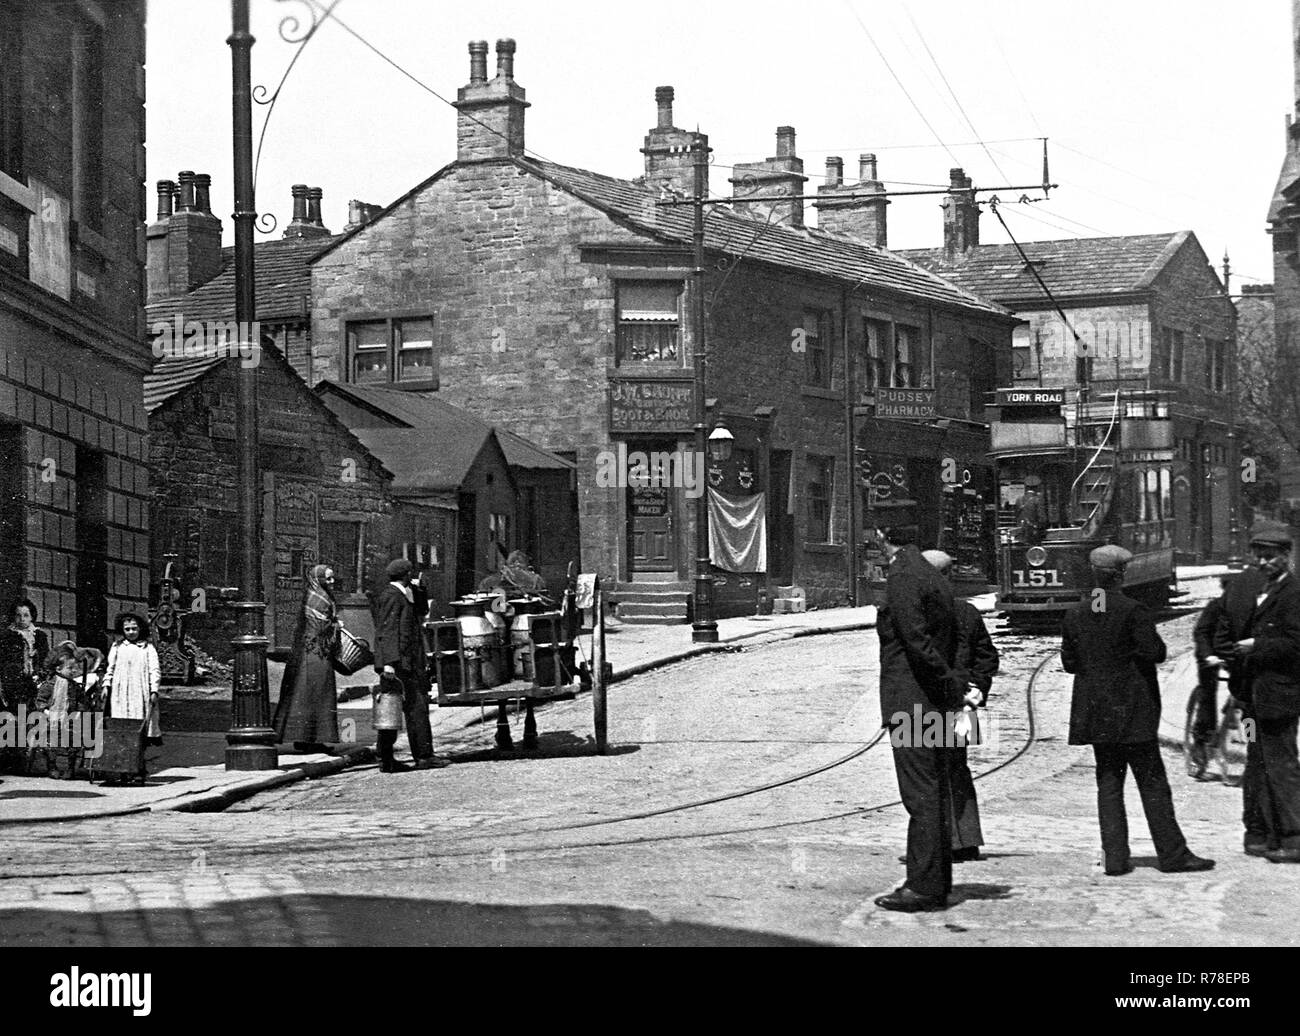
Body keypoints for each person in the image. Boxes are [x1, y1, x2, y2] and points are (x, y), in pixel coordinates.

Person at [1061, 545, 1214, 876]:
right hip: (1133, 713)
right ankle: (1173, 855)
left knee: (1108, 782)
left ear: (1093, 574)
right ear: (1120, 575)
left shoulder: (1076, 612)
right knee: (1152, 783)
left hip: (1097, 714)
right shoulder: (1133, 610)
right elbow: (1154, 652)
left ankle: (1115, 858)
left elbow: (1069, 663)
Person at [873, 527, 968, 913]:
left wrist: (949, 687)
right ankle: (936, 880)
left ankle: (924, 888)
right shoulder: (929, 572)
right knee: (935, 792)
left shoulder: (904, 575)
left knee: (921, 797)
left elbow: (916, 643)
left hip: (913, 702)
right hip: (931, 703)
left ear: (882, 536)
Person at [1219, 521, 1300, 863]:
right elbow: (1220, 629)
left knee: (1281, 764)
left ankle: (1293, 837)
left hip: (1279, 700)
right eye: (1259, 557)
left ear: (1286, 556)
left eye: (1271, 557)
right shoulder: (1252, 589)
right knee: (1256, 762)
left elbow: (1296, 644)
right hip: (1250, 699)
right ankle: (1258, 832)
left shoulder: (1294, 593)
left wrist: (1256, 645)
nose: (1264, 563)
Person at [923, 549, 999, 863]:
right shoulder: (966, 612)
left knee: (930, 772)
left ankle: (945, 842)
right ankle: (965, 840)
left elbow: (985, 656)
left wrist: (977, 687)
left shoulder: (917, 613)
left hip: (928, 704)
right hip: (962, 702)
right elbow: (987, 657)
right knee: (956, 767)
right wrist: (978, 687)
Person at [373, 558, 447, 773]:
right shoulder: (391, 597)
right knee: (399, 710)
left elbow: (421, 610)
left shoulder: (404, 594)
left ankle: (399, 758)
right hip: (398, 665)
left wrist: (420, 589)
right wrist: (388, 663)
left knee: (406, 709)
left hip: (410, 662)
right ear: (405, 575)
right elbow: (386, 631)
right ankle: (414, 757)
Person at [274, 565, 341, 754]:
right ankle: (308, 739)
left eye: (332, 578)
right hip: (314, 653)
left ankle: (308, 738)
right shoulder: (317, 598)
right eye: (328, 579)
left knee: (307, 695)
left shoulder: (316, 594)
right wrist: (336, 624)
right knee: (314, 694)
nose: (332, 582)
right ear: (318, 579)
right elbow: (320, 626)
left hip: (309, 652)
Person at [1188, 569, 1241, 778]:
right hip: (1209, 655)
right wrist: (1209, 655)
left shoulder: (1248, 609)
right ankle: (1200, 744)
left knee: (1247, 697)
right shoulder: (1214, 607)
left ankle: (1252, 739)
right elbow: (1201, 633)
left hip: (1232, 654)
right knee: (1207, 695)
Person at [103, 613, 162, 745]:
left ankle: (140, 743)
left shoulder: (147, 648)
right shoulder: (117, 647)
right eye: (127, 629)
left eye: (134, 628)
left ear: (140, 629)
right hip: (121, 688)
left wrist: (154, 690)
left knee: (140, 715)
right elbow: (110, 668)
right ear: (122, 630)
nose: (131, 632)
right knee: (121, 715)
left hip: (140, 688)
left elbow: (155, 670)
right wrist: (106, 685)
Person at [0, 598, 51, 712]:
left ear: (32, 617)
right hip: (15, 683)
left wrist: (42, 675)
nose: (22, 619)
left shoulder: (39, 636)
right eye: (18, 615)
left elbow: (46, 659)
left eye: (26, 615)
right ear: (14, 617)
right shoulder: (7, 636)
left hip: (36, 681)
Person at [478, 549, 552, 604]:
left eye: (519, 562)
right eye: (513, 562)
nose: (517, 565)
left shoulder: (536, 579)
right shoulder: (537, 579)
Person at [1017, 475, 1047, 545]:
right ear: (1037, 487)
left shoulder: (1019, 500)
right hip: (1035, 535)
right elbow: (1042, 518)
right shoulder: (1038, 499)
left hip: (1021, 534)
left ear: (1026, 487)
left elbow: (1017, 516)